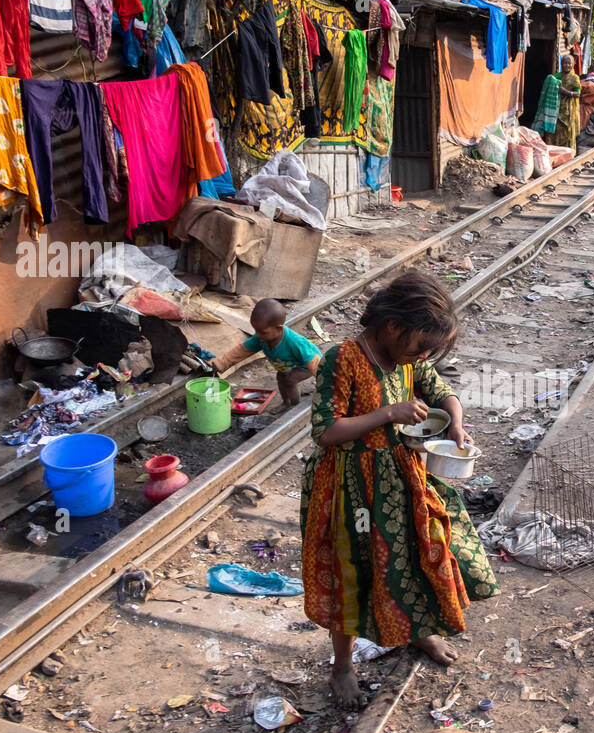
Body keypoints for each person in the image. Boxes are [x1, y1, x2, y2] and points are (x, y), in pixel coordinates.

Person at [300, 272, 498, 707]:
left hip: (401, 477)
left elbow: (443, 393)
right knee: (353, 571)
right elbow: (326, 430)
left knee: (415, 553)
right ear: (392, 327)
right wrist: (389, 412)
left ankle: (419, 632)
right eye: (418, 346)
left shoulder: (408, 359)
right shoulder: (344, 358)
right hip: (350, 487)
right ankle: (342, 666)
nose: (422, 356)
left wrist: (457, 423)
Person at [211, 298, 320, 407]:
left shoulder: (294, 342)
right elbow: (243, 350)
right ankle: (286, 402)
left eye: (262, 332)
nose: (257, 335)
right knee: (281, 378)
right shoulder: (261, 338)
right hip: (287, 366)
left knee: (290, 379)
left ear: (278, 329)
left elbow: (314, 362)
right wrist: (222, 363)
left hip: (306, 365)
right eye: (256, 330)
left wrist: (326, 384)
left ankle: (294, 405)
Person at [545, 55, 580, 148]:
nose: (567, 65)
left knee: (567, 132)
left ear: (572, 64)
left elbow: (578, 94)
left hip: (568, 110)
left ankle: (568, 152)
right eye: (565, 63)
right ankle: (556, 152)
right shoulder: (557, 76)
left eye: (569, 63)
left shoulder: (575, 78)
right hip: (556, 108)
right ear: (561, 64)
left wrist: (567, 92)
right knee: (554, 131)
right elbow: (549, 86)